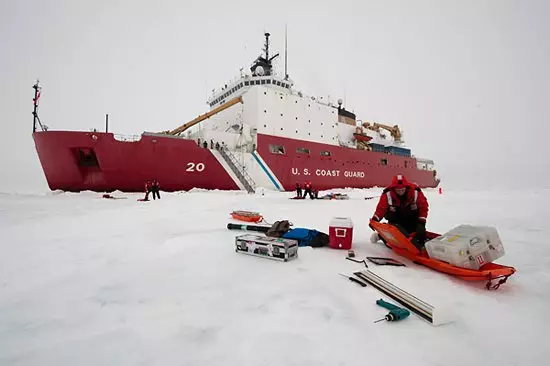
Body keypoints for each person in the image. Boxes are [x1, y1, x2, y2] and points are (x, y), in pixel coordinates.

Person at [370, 174, 429, 249]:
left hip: (412, 217)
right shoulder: (387, 194)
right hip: (395, 219)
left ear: (406, 187)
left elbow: (423, 207)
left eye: (402, 190)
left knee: (417, 234)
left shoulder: (415, 192)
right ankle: (381, 236)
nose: (400, 192)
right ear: (393, 189)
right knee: (395, 237)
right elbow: (381, 208)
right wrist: (374, 220)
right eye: (398, 190)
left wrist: (421, 223)